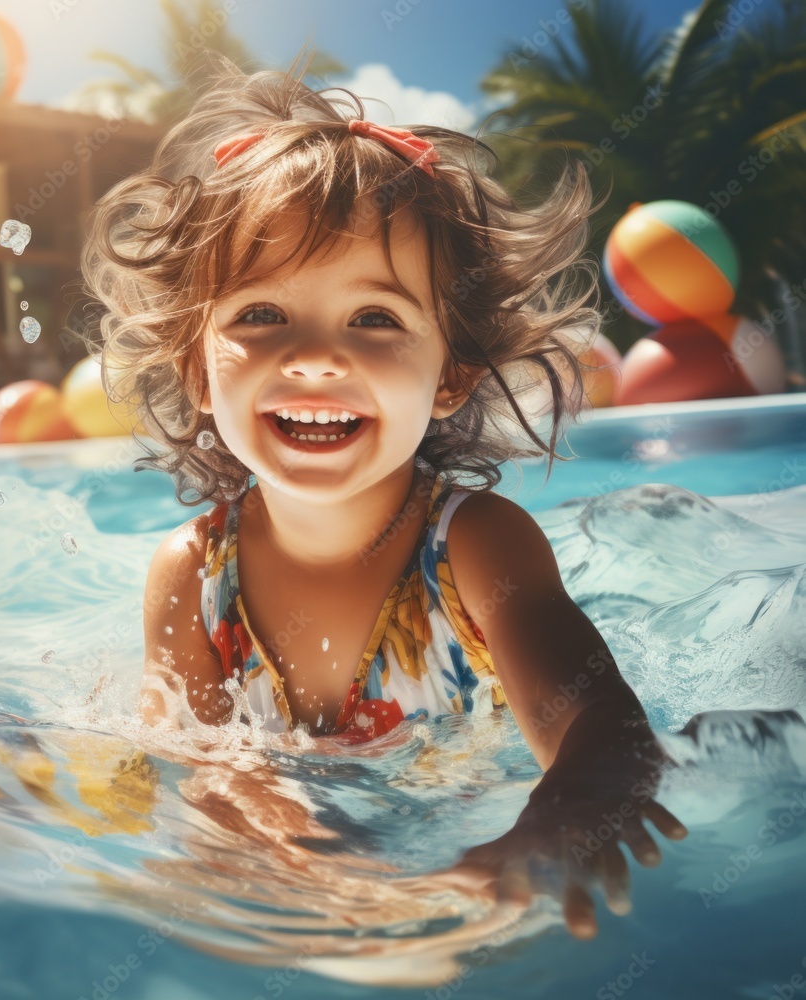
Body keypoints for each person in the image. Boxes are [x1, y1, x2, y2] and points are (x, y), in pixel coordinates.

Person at [81, 49, 687, 940]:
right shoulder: (188, 576)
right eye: (259, 314)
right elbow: (201, 768)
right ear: (196, 372)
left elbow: (602, 722)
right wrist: (308, 866)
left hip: (459, 807)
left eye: (375, 318)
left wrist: (562, 819)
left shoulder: (480, 545)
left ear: (450, 376)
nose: (317, 355)